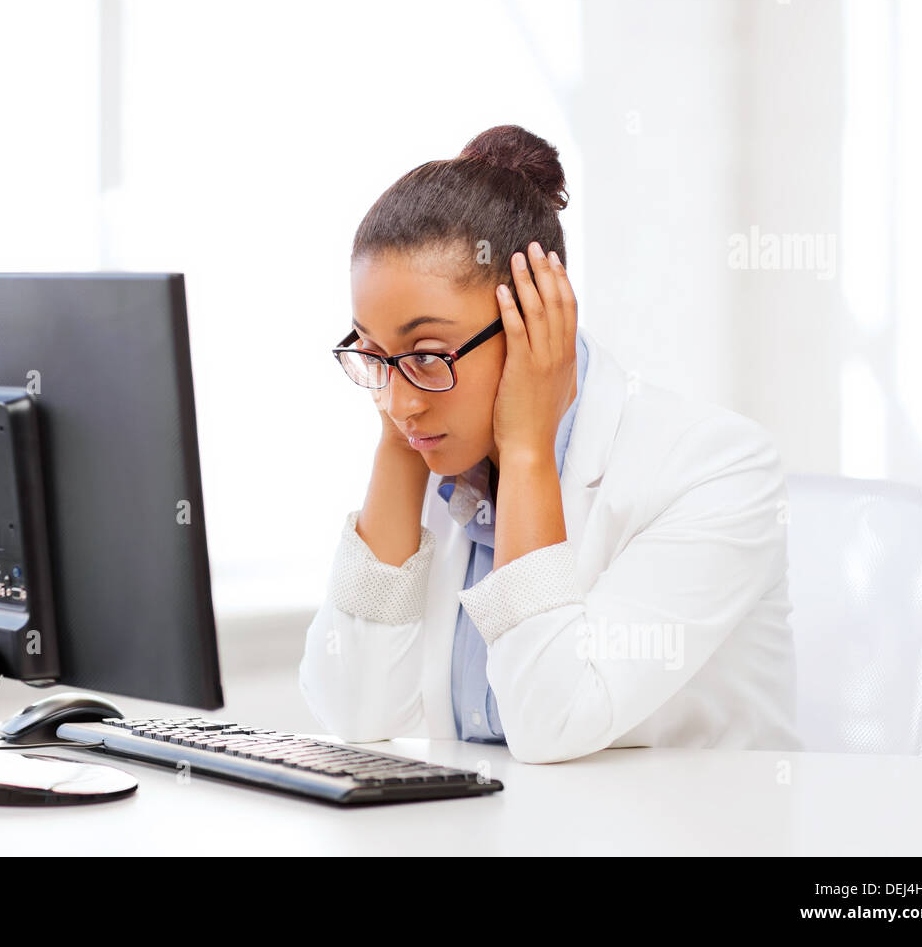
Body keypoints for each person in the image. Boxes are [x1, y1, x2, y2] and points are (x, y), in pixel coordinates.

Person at [299, 124, 801, 764]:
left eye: (427, 353)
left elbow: (552, 722)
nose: (399, 401)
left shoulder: (716, 469)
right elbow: (353, 716)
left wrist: (529, 452)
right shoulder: (432, 439)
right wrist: (397, 441)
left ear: (533, 321)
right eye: (372, 352)